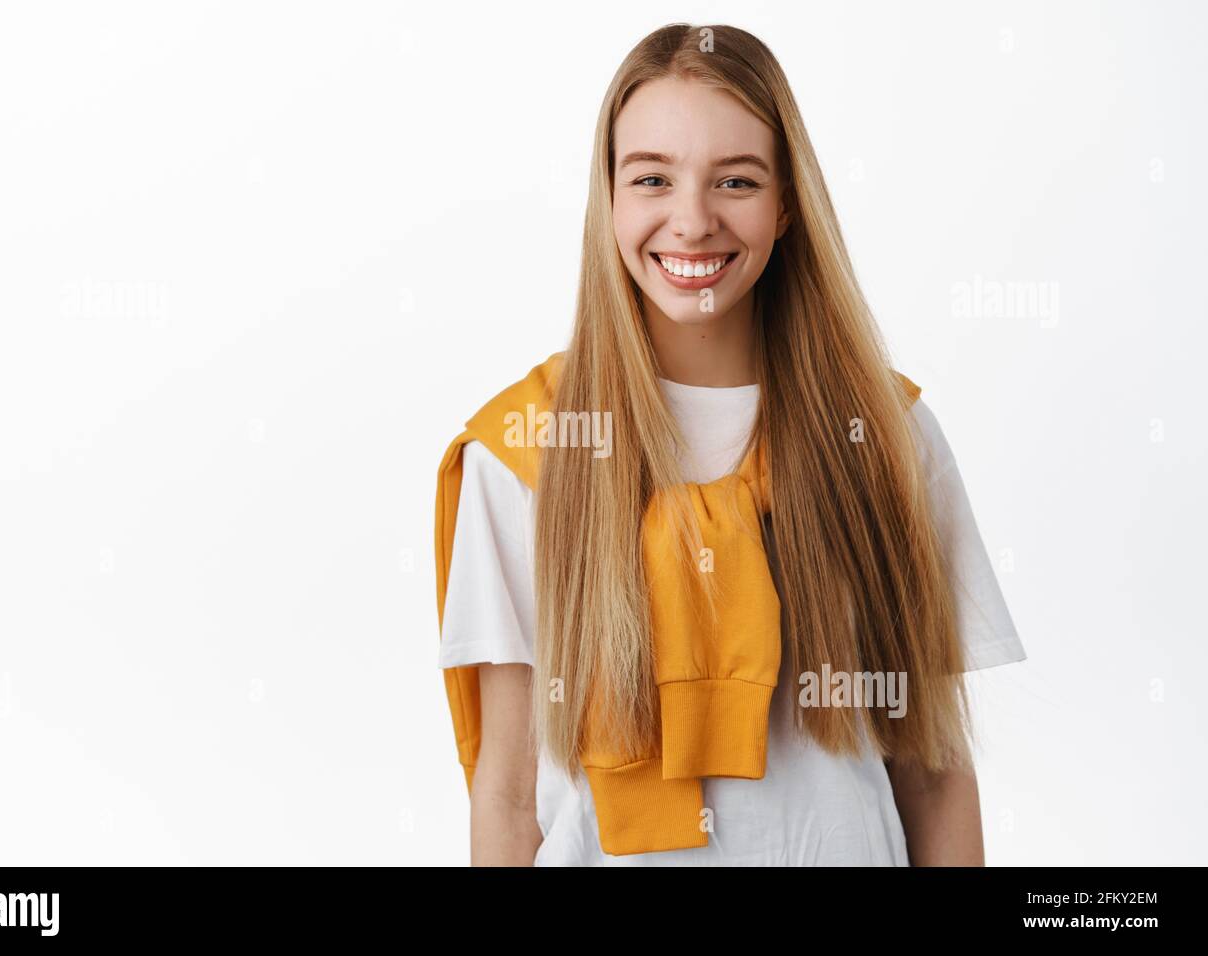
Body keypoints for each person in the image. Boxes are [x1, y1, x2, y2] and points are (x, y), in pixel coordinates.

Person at [435, 22, 1026, 866]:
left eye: (736, 180)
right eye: (652, 179)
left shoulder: (888, 440)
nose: (693, 221)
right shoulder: (525, 449)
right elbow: (507, 792)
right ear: (609, 198)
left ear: (787, 203)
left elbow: (932, 773)